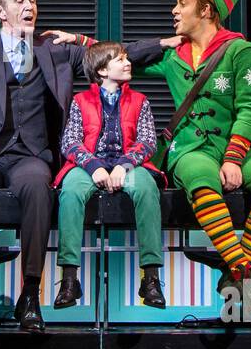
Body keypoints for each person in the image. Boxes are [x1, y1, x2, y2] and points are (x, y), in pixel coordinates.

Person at [0, 0, 162, 339]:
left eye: (33, 0)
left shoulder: (54, 49)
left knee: (38, 187)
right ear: (2, 13)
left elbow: (116, 55)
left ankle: (30, 295)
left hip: (30, 155)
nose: (30, 7)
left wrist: (167, 43)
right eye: (20, 1)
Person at [131, 0, 251, 307]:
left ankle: (235, 269)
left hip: (244, 147)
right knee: (200, 177)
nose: (174, 11)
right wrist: (160, 43)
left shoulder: (241, 51)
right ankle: (242, 271)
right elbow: (114, 58)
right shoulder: (172, 56)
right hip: (192, 147)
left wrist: (234, 157)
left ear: (205, 10)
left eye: (182, 4)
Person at [52, 41, 168, 310]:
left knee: (147, 189)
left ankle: (151, 278)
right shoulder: (80, 101)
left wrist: (124, 165)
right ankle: (69, 278)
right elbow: (70, 142)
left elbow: (148, 141)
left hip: (128, 166)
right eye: (120, 59)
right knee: (70, 192)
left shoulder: (140, 101)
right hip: (88, 167)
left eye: (127, 58)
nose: (128, 63)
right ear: (102, 70)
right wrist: (94, 167)